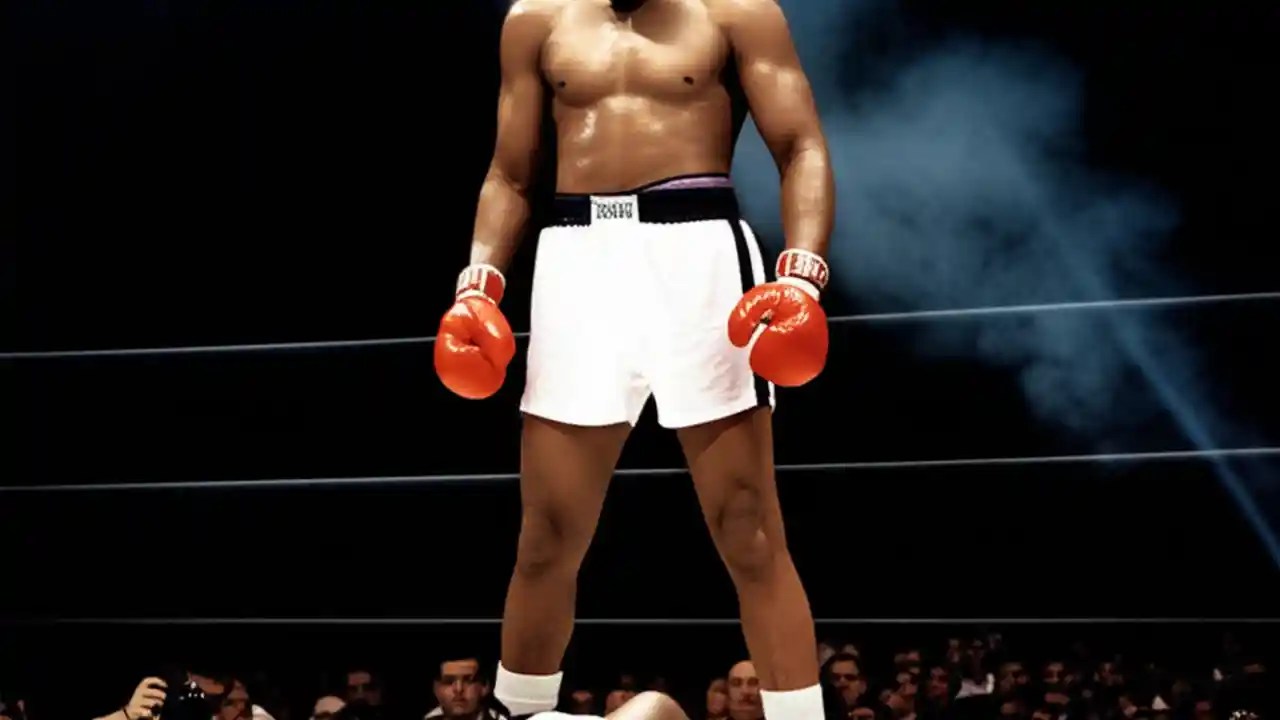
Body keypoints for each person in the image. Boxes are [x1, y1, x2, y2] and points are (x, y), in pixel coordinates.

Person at [435, 0, 834, 719]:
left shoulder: (737, 9)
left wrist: (801, 274)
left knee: (748, 527)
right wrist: (478, 284)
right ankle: (516, 712)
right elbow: (510, 173)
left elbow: (800, 143)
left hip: (700, 250)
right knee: (546, 533)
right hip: (575, 257)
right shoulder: (536, 17)